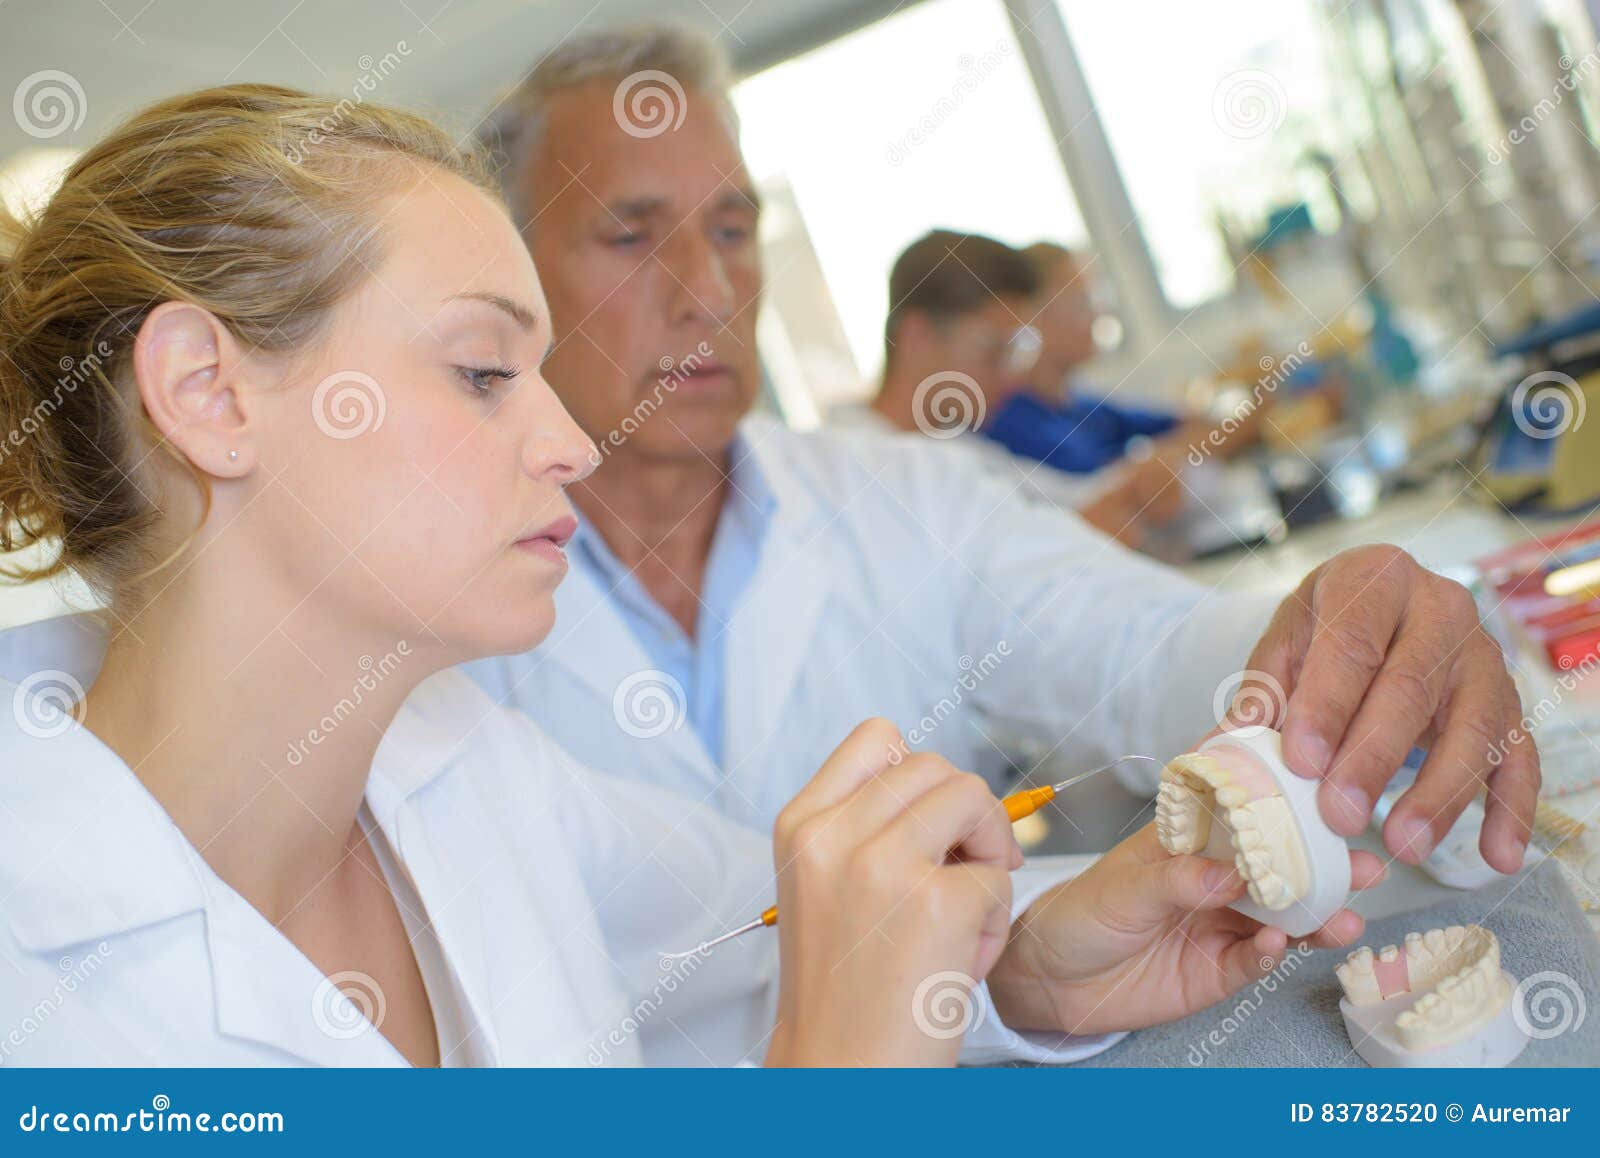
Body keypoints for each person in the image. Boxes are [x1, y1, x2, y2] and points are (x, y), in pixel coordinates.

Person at [0, 84, 1379, 1069]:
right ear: (208, 394)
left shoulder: (470, 770)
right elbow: (821, 1014)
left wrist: (1030, 965)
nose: (561, 440)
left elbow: (776, 934)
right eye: (481, 371)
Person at [467, 25, 1536, 875]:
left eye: (733, 232)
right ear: (511, 277)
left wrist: (1325, 636)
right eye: (630, 234)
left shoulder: (906, 499)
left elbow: (1137, 648)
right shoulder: (436, 603)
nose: (707, 292)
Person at [851, 229, 1182, 545]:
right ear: (918, 337)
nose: (1011, 378)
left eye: (1014, 353)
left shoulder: (962, 445)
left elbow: (1066, 500)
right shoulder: (854, 473)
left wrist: (1133, 490)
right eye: (992, 352)